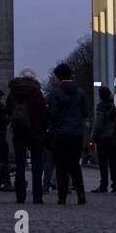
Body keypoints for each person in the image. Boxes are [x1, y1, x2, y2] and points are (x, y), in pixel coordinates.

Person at [46, 63, 90, 205]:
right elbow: (85, 113)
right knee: (74, 165)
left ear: (58, 76)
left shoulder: (55, 92)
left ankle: (62, 196)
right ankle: (81, 193)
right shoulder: (80, 92)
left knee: (60, 166)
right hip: (77, 132)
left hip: (61, 133)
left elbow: (52, 114)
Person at [7, 68, 50, 203]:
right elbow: (43, 113)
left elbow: (8, 109)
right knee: (37, 165)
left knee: (20, 164)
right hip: (36, 132)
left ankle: (20, 196)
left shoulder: (13, 92)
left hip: (19, 131)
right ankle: (37, 196)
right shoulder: (37, 92)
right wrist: (43, 127)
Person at [88, 86, 116, 194]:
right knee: (113, 162)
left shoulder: (101, 107)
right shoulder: (114, 105)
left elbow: (98, 124)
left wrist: (92, 137)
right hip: (113, 136)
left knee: (103, 163)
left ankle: (103, 185)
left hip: (103, 138)